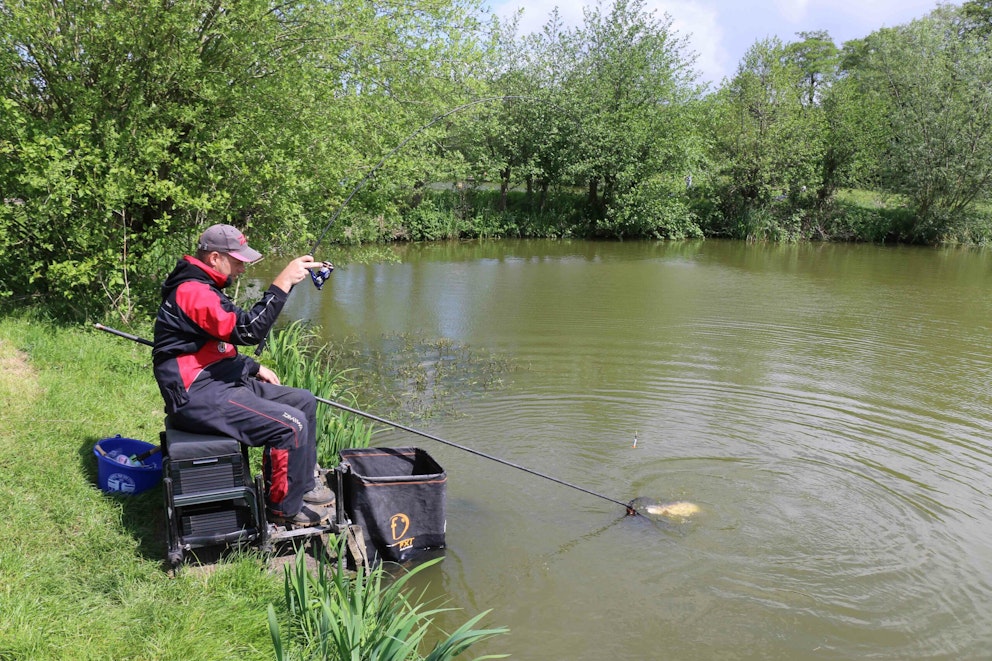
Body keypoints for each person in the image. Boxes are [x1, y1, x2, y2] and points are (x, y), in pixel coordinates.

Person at [152, 223, 334, 526]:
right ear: (214, 258)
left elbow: (216, 342)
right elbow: (247, 329)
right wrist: (282, 282)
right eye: (237, 261)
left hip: (217, 380)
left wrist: (252, 367)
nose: (242, 268)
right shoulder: (194, 292)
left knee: (302, 401)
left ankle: (301, 483)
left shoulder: (203, 287)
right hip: (195, 394)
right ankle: (283, 510)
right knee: (290, 426)